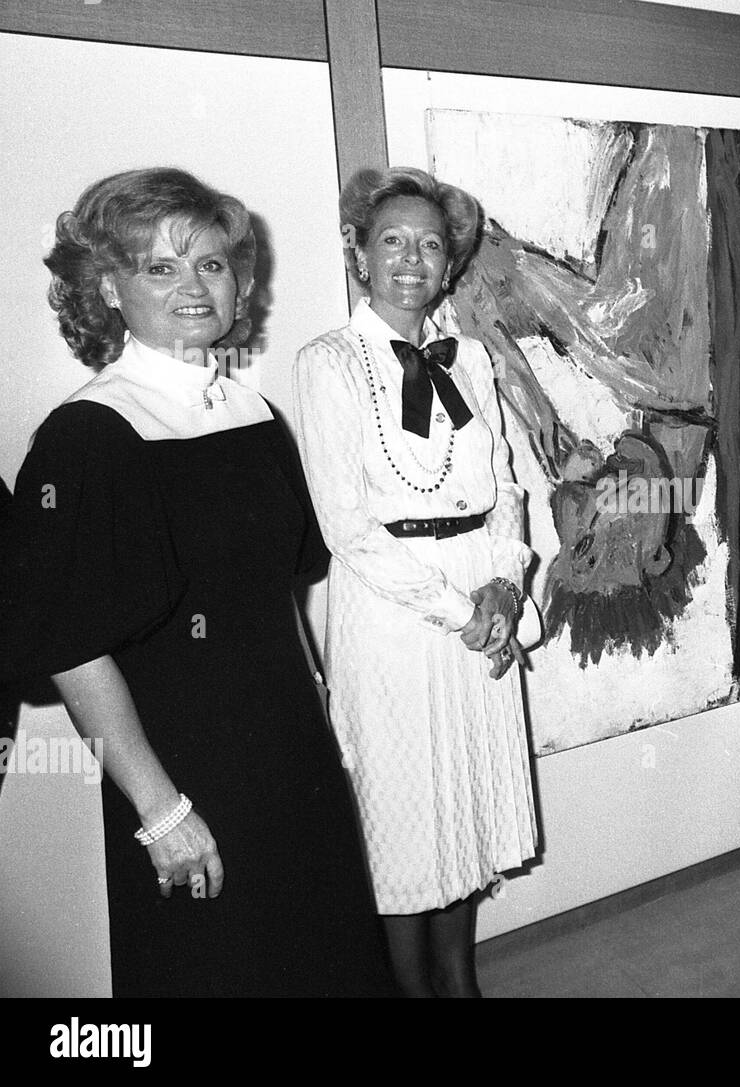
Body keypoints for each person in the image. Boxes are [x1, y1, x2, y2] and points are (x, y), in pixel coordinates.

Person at [0, 167, 394, 996]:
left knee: (328, 960)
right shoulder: (87, 436)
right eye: (160, 267)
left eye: (211, 264)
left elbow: (279, 594)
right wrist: (161, 810)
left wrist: (322, 710)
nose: (193, 286)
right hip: (181, 768)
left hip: (287, 748)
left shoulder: (252, 415)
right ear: (107, 288)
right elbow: (71, 650)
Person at [293, 166, 538, 998]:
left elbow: (505, 486)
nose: (412, 258)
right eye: (391, 240)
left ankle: (459, 982)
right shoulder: (326, 362)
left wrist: (504, 587)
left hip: (481, 596)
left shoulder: (470, 358)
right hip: (394, 613)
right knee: (402, 814)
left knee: (461, 800)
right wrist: (461, 611)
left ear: (449, 264)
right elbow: (346, 526)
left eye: (431, 244)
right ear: (359, 254)